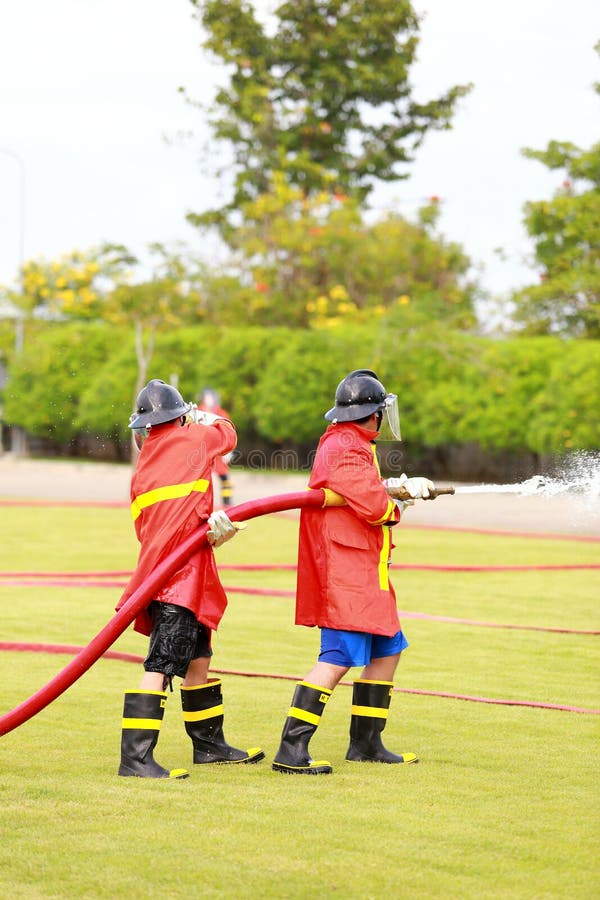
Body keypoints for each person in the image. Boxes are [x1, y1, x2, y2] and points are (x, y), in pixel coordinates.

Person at [272, 369, 434, 775]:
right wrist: (400, 502)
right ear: (374, 414)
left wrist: (396, 487)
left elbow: (365, 491)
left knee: (388, 650)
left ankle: (366, 744)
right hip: (347, 573)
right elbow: (374, 507)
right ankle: (291, 751)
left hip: (365, 570)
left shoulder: (353, 442)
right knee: (338, 658)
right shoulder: (345, 447)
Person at [116, 378, 264, 779]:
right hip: (177, 581)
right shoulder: (195, 437)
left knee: (198, 660)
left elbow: (153, 529)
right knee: (161, 664)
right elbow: (229, 435)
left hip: (175, 573)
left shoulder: (142, 468)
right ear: (181, 417)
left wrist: (204, 531)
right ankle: (135, 760)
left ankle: (210, 747)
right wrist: (202, 415)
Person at [197, 388, 234, 507]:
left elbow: (229, 431)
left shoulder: (221, 413)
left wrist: (229, 452)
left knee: (224, 477)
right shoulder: (197, 411)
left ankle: (227, 502)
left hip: (218, 451)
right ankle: (199, 503)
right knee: (199, 479)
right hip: (201, 451)